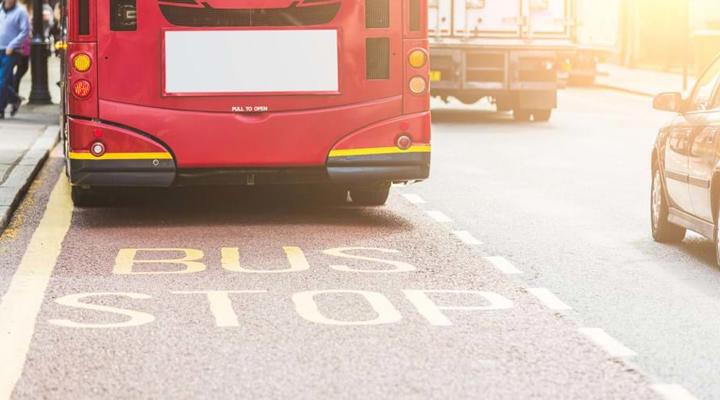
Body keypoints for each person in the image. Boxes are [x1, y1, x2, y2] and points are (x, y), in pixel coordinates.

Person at [0, 0, 29, 119]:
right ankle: (15, 99)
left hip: (11, 51)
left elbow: (25, 31)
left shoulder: (21, 11)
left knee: (2, 81)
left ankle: (0, 109)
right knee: (4, 82)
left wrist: (12, 45)